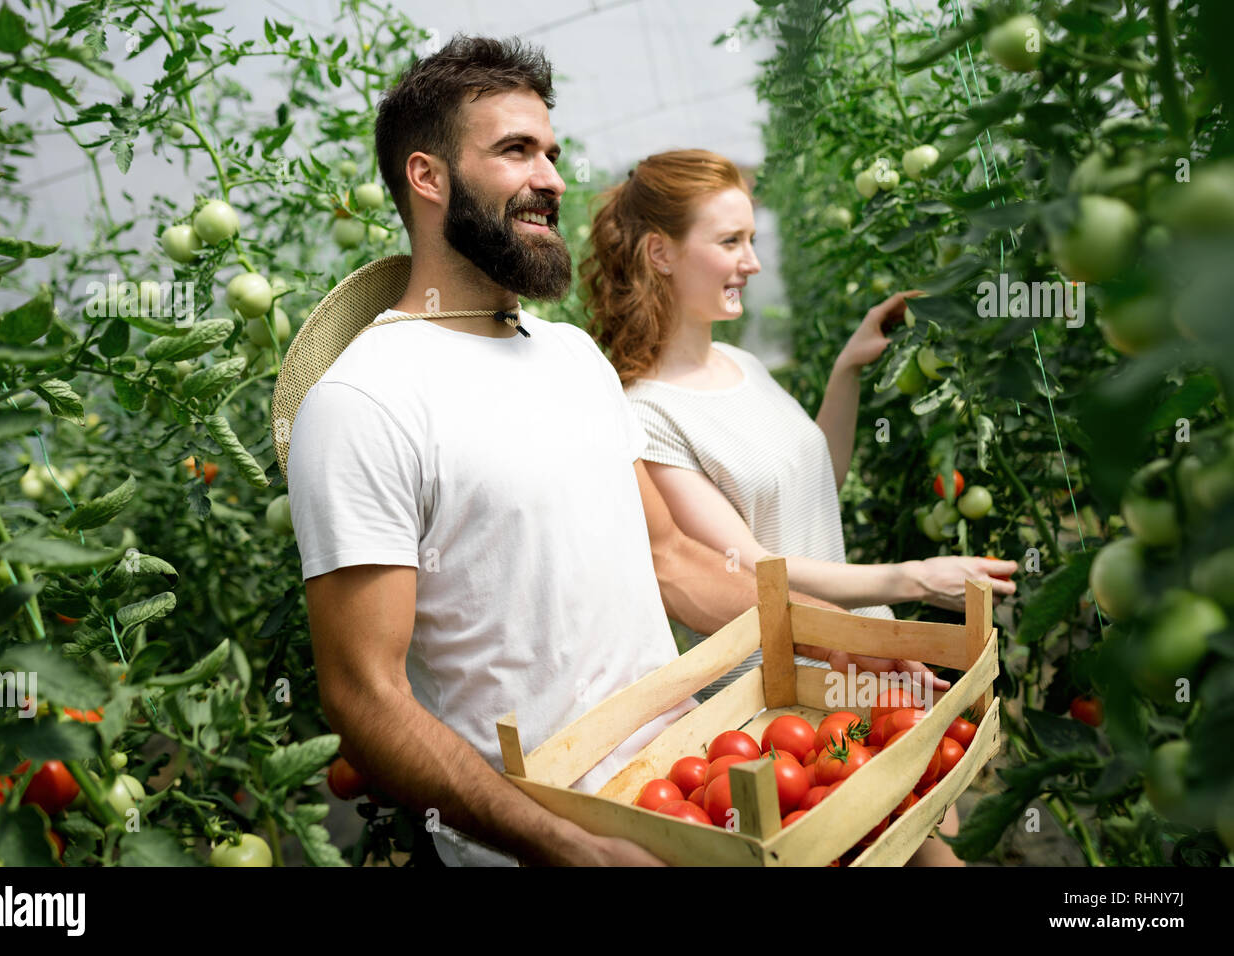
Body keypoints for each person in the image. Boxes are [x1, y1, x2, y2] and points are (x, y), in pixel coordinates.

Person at [287, 38, 945, 868]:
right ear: (429, 178)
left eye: (552, 153)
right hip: (535, 835)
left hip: (684, 785)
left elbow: (673, 559)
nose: (554, 178)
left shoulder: (573, 357)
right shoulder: (363, 403)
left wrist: (842, 652)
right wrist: (567, 847)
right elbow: (363, 696)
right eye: (515, 151)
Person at [580, 149, 1018, 865]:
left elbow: (819, 478)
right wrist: (910, 578)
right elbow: (755, 568)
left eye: (751, 240)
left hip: (870, 659)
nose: (751, 261)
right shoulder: (646, 415)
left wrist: (847, 369)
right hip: (790, 695)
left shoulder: (744, 366)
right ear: (659, 253)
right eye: (730, 242)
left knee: (933, 835)